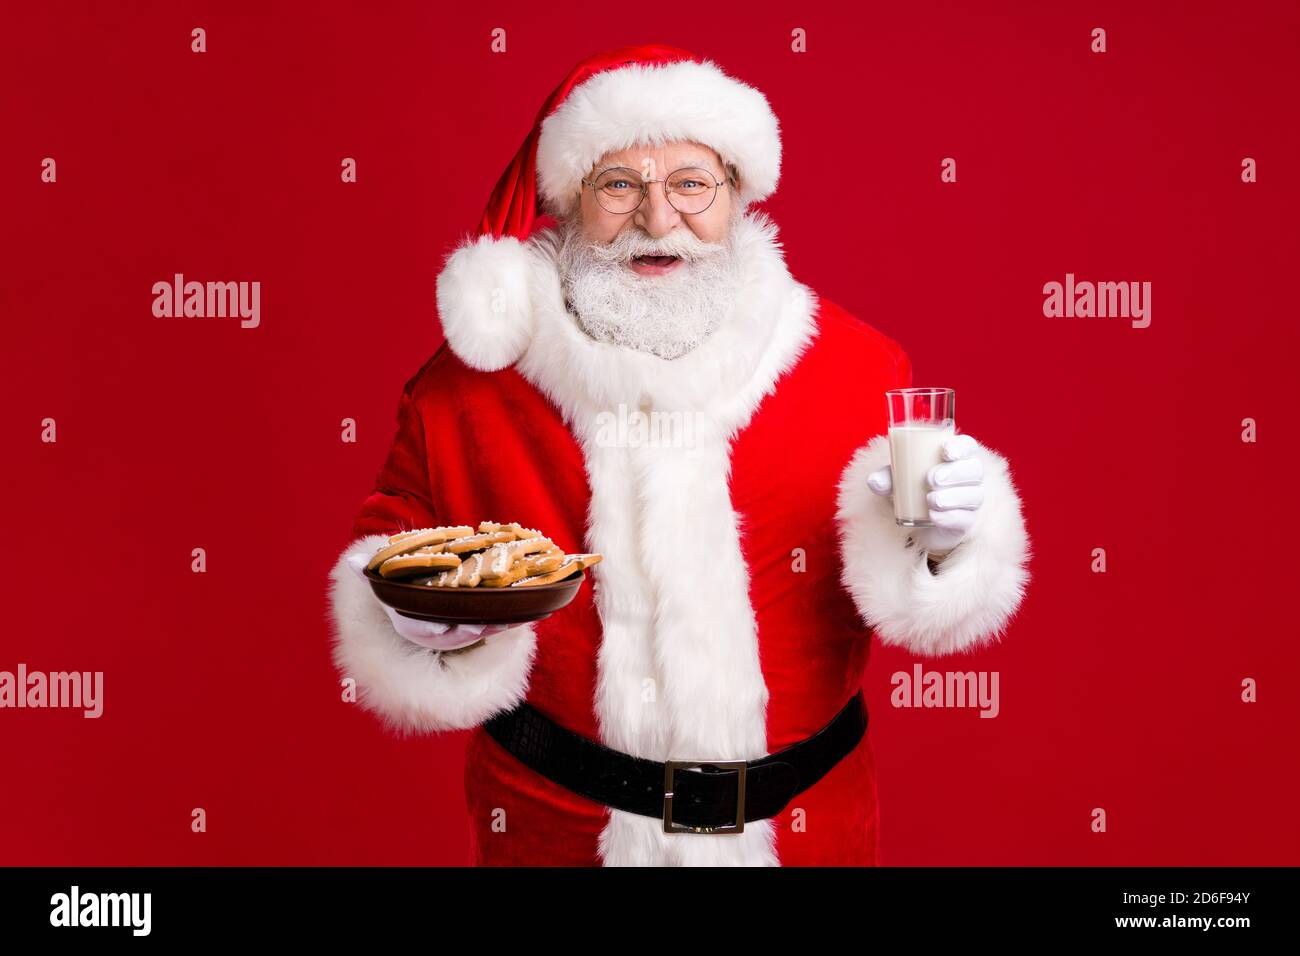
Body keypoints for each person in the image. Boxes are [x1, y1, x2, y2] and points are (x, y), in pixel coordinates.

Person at [328, 45, 1031, 866]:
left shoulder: (857, 369)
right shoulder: (469, 386)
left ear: (737, 191)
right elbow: (399, 527)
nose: (659, 221)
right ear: (569, 199)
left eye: (691, 183)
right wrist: (405, 614)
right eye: (619, 184)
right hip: (554, 834)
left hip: (808, 836)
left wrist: (946, 555)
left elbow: (922, 578)